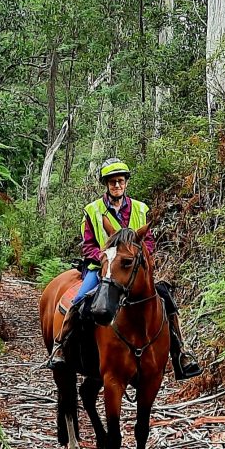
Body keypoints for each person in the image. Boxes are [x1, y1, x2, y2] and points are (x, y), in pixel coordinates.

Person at [47, 158, 202, 380]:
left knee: (166, 298)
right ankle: (61, 346)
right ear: (106, 185)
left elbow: (148, 241)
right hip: (102, 268)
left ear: (126, 183)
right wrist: (104, 257)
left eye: (120, 181)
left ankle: (181, 353)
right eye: (112, 182)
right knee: (80, 300)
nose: (116, 186)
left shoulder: (140, 209)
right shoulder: (93, 210)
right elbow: (88, 244)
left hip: (133, 268)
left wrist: (140, 256)